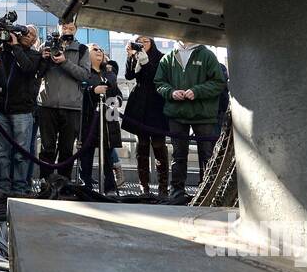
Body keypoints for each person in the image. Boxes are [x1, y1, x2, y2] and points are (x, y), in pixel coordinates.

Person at [155, 39, 227, 202]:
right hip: (177, 113)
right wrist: (171, 92)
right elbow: (159, 83)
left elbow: (218, 82)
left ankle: (208, 189)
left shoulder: (207, 55)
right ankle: (177, 191)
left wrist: (197, 91)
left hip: (203, 114)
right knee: (179, 154)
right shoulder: (167, 58)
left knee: (207, 154)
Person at [0, 23, 41, 195]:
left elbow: (28, 68)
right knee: (3, 152)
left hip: (23, 111)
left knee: (21, 153)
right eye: (28, 34)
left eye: (34, 36)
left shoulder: (34, 55)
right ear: (19, 34)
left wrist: (16, 47)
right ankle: (3, 188)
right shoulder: (4, 52)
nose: (31, 37)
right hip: (2, 109)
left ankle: (20, 188)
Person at [36, 19, 91, 184]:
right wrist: (44, 59)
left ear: (75, 30)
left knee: (67, 149)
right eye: (64, 26)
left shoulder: (82, 49)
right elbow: (37, 73)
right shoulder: (46, 45)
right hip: (47, 104)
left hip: (72, 106)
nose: (67, 30)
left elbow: (85, 75)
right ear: (58, 28)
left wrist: (65, 62)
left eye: (71, 27)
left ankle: (64, 183)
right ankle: (46, 183)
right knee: (47, 148)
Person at [124, 36, 169, 197]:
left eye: (146, 41)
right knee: (141, 146)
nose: (142, 44)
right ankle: (144, 186)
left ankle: (163, 187)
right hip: (139, 104)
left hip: (156, 104)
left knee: (159, 145)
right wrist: (130, 57)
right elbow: (129, 76)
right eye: (139, 41)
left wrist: (145, 62)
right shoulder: (135, 55)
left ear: (152, 43)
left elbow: (155, 76)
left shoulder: (162, 57)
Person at [80, 45, 122, 192]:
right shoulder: (84, 72)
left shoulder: (109, 72)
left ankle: (110, 186)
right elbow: (78, 92)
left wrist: (118, 99)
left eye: (101, 50)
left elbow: (118, 92)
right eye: (95, 49)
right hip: (89, 120)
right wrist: (92, 91)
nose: (100, 51)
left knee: (108, 155)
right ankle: (87, 185)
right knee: (87, 154)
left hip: (108, 121)